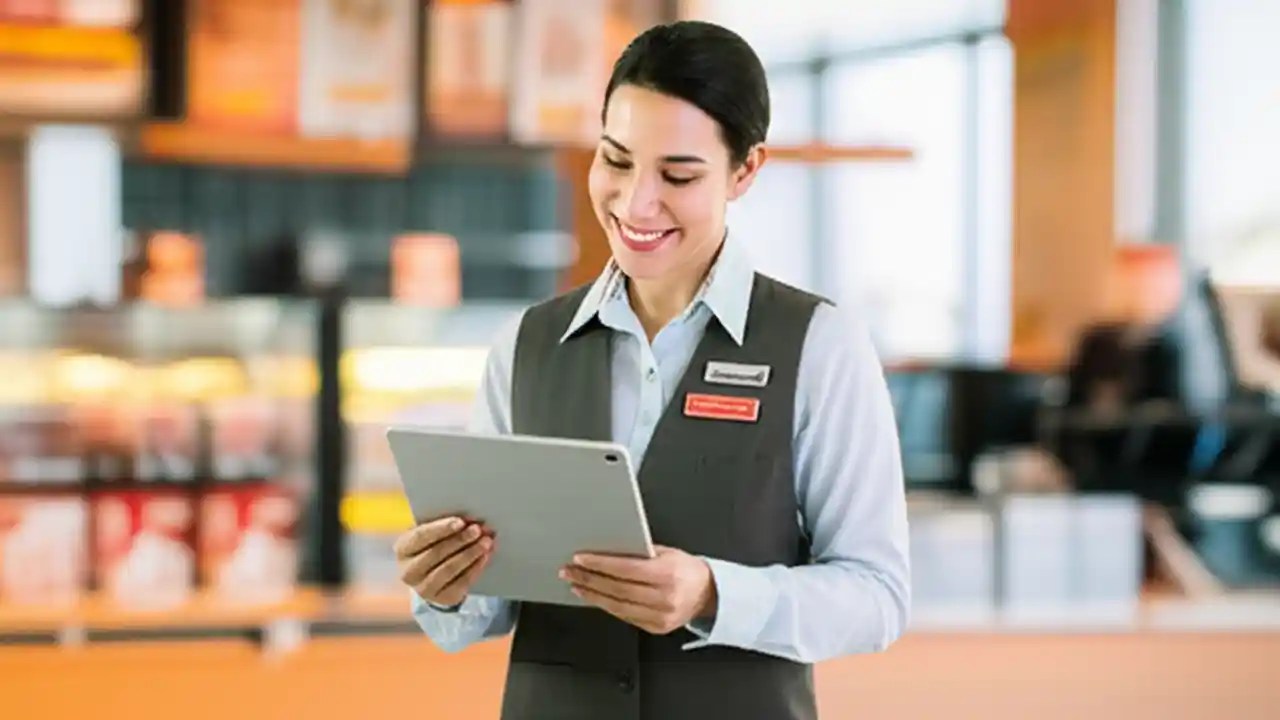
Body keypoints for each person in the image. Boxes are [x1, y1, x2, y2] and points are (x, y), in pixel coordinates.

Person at [394, 20, 910, 720]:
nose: (636, 203)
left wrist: (712, 594)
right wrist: (445, 585)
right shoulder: (526, 343)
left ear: (745, 171)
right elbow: (482, 608)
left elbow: (877, 596)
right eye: (616, 159)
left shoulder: (819, 344)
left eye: (678, 174)